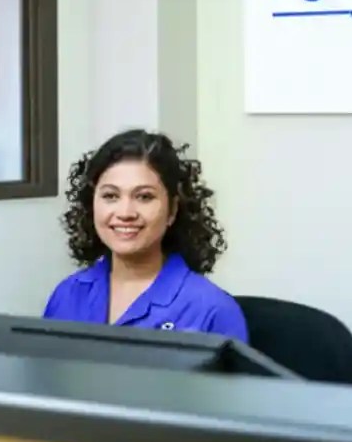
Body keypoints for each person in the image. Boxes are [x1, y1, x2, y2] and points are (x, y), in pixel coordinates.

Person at [43, 129, 248, 342]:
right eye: (110, 196)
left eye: (144, 197)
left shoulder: (212, 310)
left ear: (172, 210)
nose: (125, 213)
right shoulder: (68, 294)